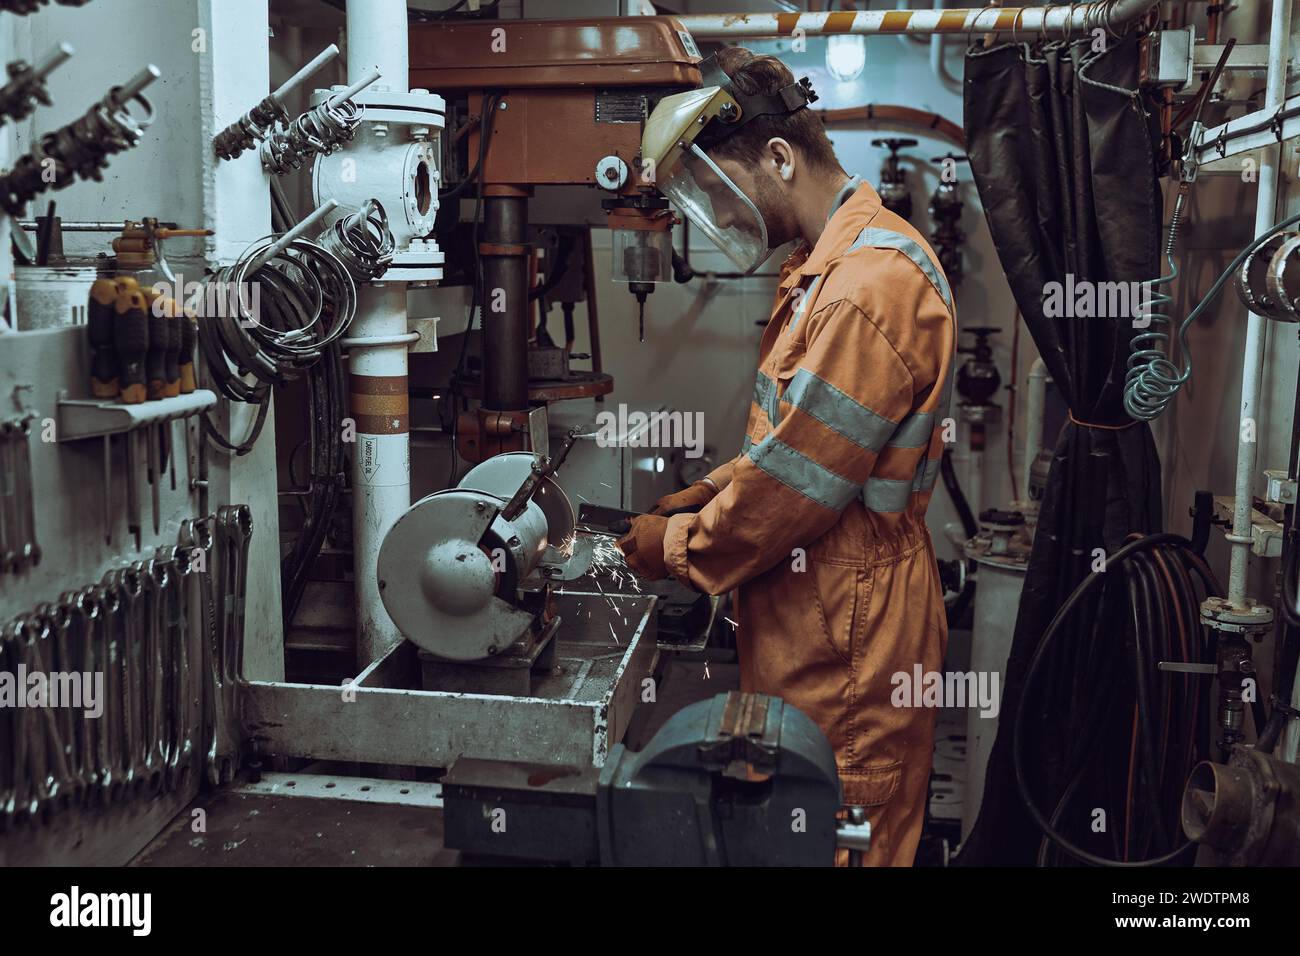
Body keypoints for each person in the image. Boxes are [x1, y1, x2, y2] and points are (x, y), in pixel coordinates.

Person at [616, 47, 957, 866]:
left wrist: (670, 547)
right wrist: (702, 491)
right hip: (820, 614)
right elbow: (805, 451)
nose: (723, 219)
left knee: (836, 831)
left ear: (778, 156)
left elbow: (795, 492)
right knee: (793, 827)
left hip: (851, 634)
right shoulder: (828, 267)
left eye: (719, 193)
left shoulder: (865, 289)